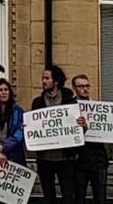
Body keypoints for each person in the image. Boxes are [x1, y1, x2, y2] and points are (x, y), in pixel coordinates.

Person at [30, 65, 78, 204]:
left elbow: (77, 127)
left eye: (47, 78)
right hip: (44, 158)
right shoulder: (38, 103)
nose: (43, 81)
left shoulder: (70, 101)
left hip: (65, 158)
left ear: (56, 81)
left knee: (68, 196)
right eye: (43, 78)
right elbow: (34, 125)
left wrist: (81, 124)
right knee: (48, 197)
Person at [70, 75, 110, 204]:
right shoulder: (69, 109)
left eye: (87, 86)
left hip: (98, 159)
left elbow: (110, 127)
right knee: (79, 197)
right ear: (74, 89)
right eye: (81, 86)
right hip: (79, 160)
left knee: (100, 197)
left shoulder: (98, 108)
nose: (85, 89)